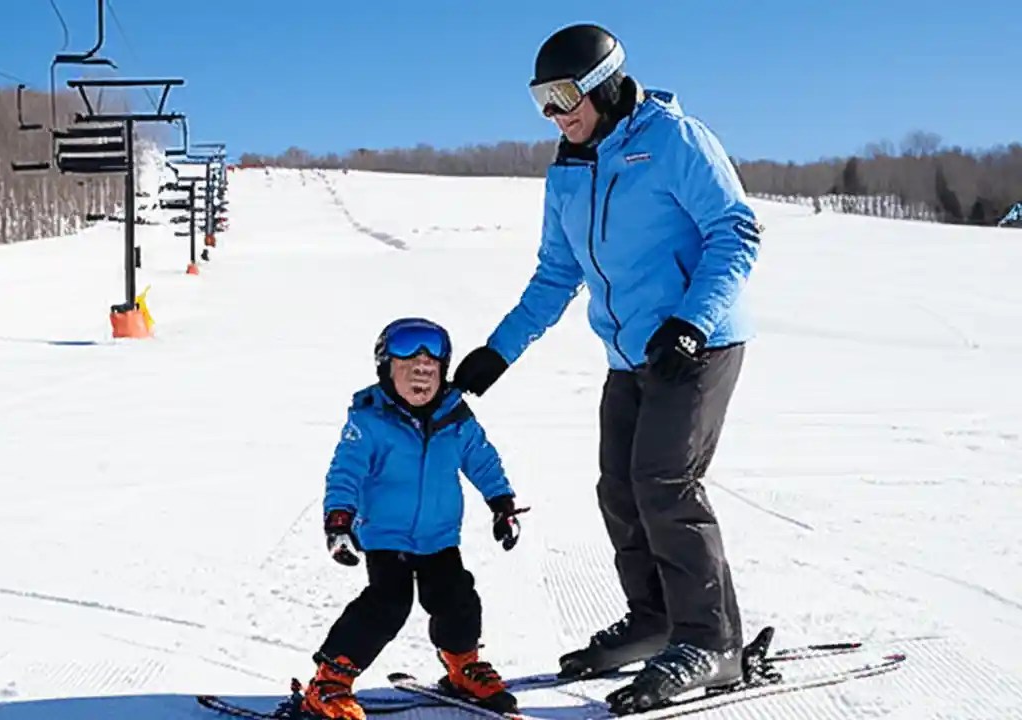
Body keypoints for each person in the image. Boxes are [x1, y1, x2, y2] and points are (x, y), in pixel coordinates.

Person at [451, 23, 763, 714]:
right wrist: (498, 350)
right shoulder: (568, 166)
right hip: (630, 355)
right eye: (542, 103)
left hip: (698, 342)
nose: (555, 116)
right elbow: (556, 273)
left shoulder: (675, 140)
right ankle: (654, 621)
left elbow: (734, 231)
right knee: (618, 487)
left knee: (664, 482)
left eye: (563, 98)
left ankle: (710, 641)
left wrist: (691, 321)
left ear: (604, 84)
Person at [301, 317, 529, 720]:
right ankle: (329, 680)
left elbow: (483, 460)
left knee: (456, 598)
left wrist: (502, 504)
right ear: (386, 372)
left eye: (431, 372)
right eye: (409, 372)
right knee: (388, 603)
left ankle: (462, 665)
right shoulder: (369, 421)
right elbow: (345, 472)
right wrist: (339, 521)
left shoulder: (457, 418)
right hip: (387, 537)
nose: (421, 379)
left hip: (439, 536)